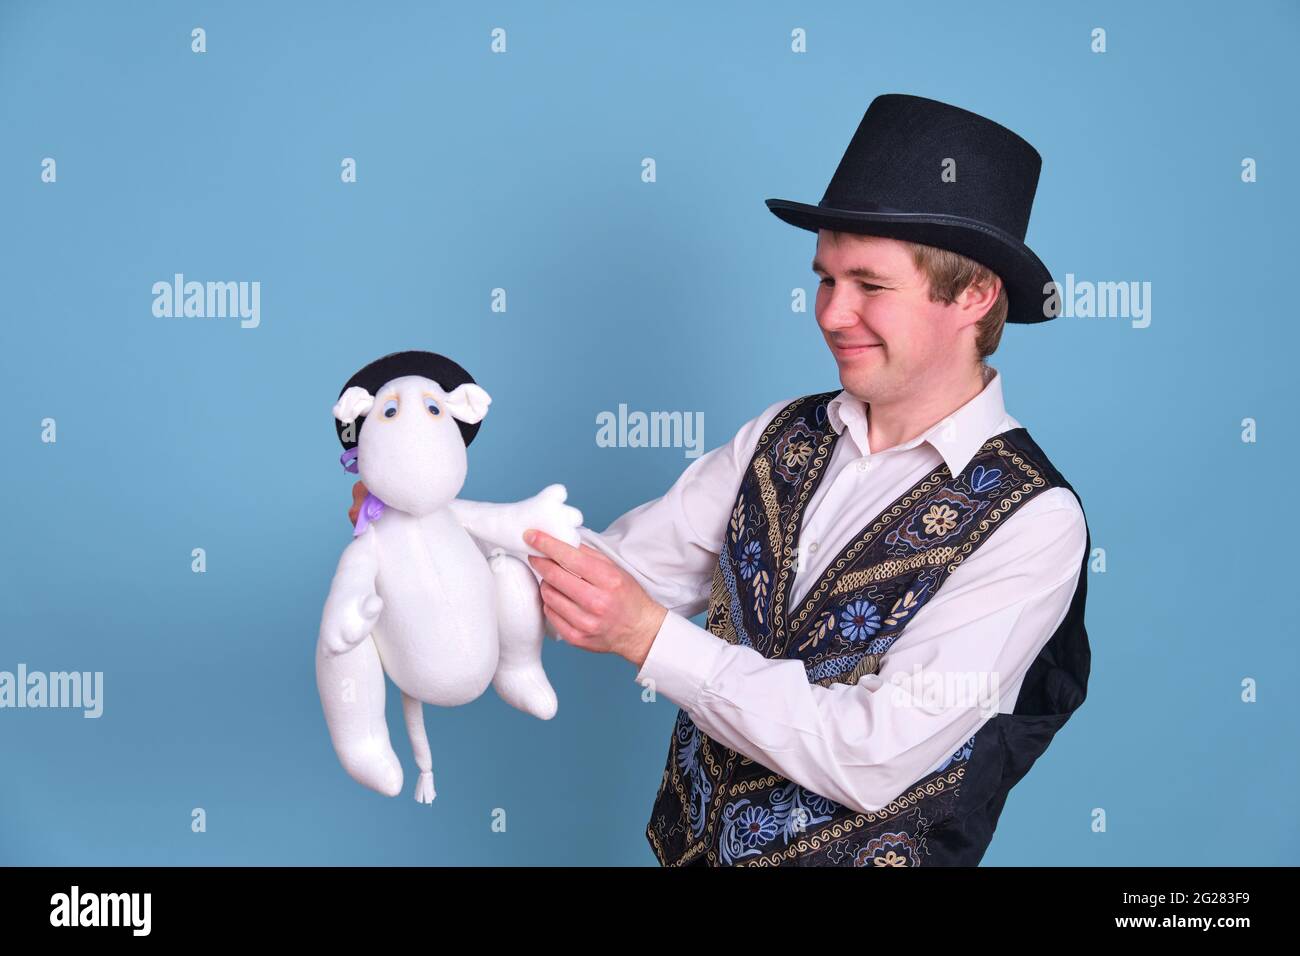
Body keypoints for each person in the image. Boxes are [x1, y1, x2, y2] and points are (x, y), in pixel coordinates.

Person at [353, 94, 1092, 867]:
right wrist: (433, 526)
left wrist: (650, 638)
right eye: (826, 278)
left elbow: (874, 757)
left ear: (974, 296)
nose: (832, 314)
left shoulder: (1032, 519)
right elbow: (624, 571)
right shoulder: (782, 434)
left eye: (870, 286)